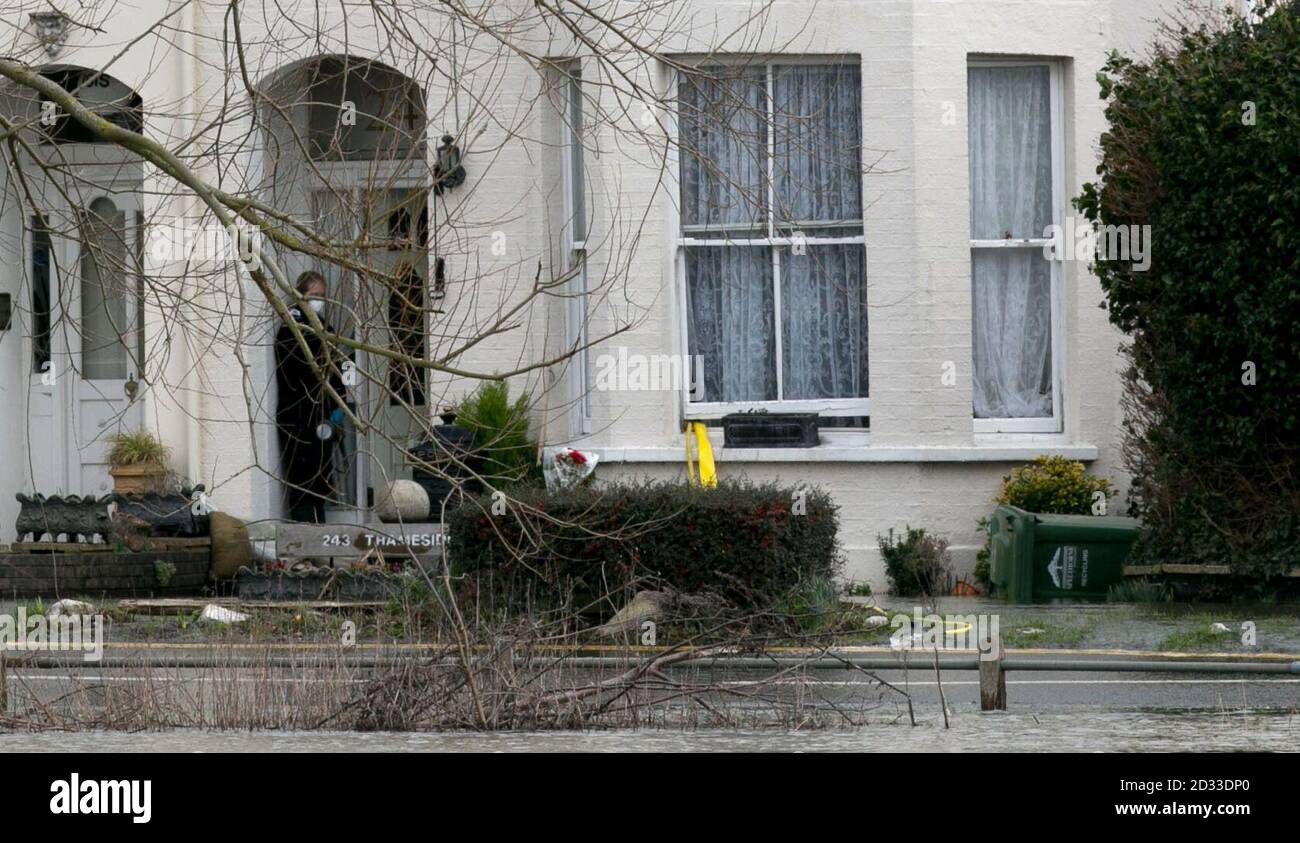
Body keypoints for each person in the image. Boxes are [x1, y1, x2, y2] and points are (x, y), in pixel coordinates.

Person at [275, 271, 347, 523]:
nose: (319, 300)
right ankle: (306, 535)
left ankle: (320, 532)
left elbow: (337, 368)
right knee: (302, 480)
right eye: (314, 295)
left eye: (322, 296)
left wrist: (338, 401)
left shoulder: (323, 326)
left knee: (320, 478)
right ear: (301, 295)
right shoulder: (293, 327)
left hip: (320, 416)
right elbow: (299, 369)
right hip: (298, 416)